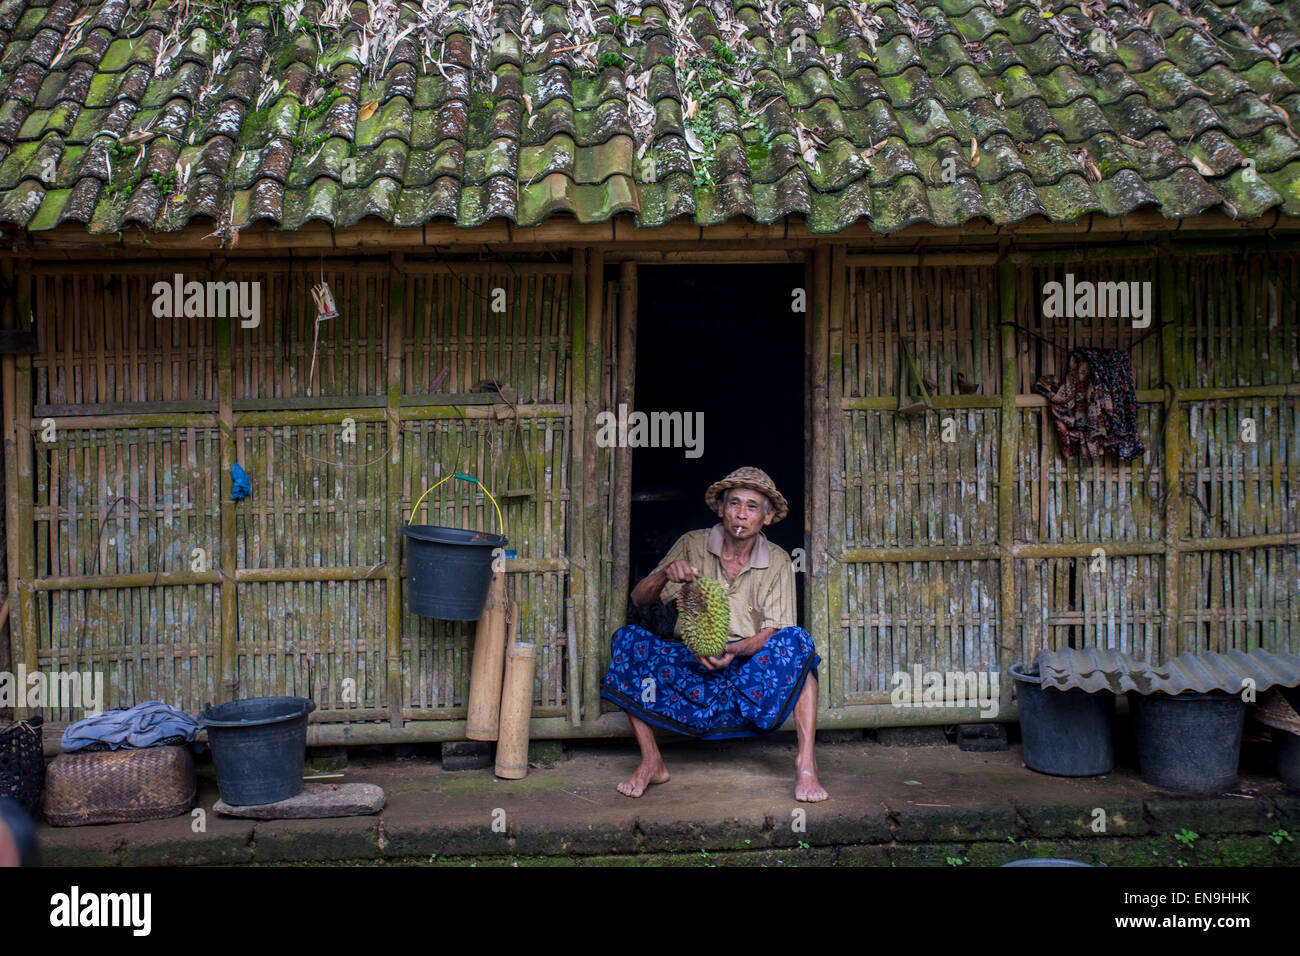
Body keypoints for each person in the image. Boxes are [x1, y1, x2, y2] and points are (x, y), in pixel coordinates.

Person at [601, 467, 827, 802]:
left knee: (798, 644)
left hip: (746, 672)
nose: (740, 514)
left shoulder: (779, 560)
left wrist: (734, 651)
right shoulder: (692, 544)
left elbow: (773, 631)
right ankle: (652, 760)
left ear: (766, 517)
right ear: (720, 509)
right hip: (689, 664)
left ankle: (806, 765)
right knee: (628, 639)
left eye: (752, 506)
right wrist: (665, 574)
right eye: (734, 504)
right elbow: (639, 599)